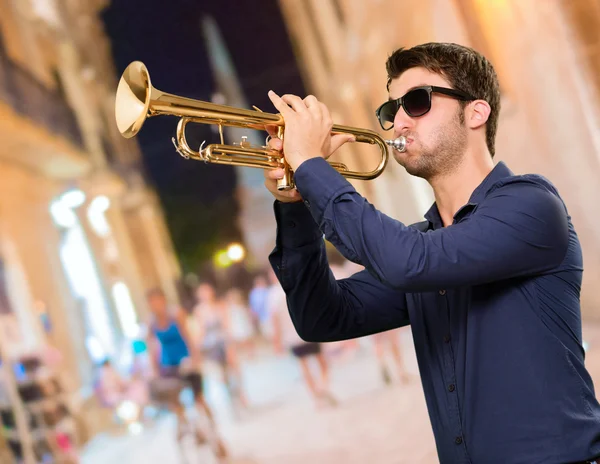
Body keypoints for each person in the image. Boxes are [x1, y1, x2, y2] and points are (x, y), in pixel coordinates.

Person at [262, 42, 600, 464]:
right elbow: (321, 317)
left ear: (476, 113)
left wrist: (311, 163)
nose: (397, 121)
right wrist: (295, 205)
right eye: (391, 111)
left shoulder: (531, 205)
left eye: (417, 102)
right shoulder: (426, 244)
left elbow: (409, 262)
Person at [145, 288, 227, 458]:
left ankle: (215, 435)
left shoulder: (176, 315)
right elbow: (152, 349)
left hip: (186, 360)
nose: (156, 305)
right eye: (152, 303)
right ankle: (186, 428)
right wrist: (153, 371)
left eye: (157, 301)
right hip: (168, 366)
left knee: (199, 399)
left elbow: (188, 336)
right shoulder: (151, 323)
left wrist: (194, 358)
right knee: (174, 403)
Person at [266, 267, 336, 408]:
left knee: (304, 367)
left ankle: (317, 397)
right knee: (322, 361)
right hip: (309, 331)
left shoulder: (273, 295)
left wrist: (277, 341)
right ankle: (322, 388)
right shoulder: (297, 285)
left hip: (292, 337)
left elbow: (275, 322)